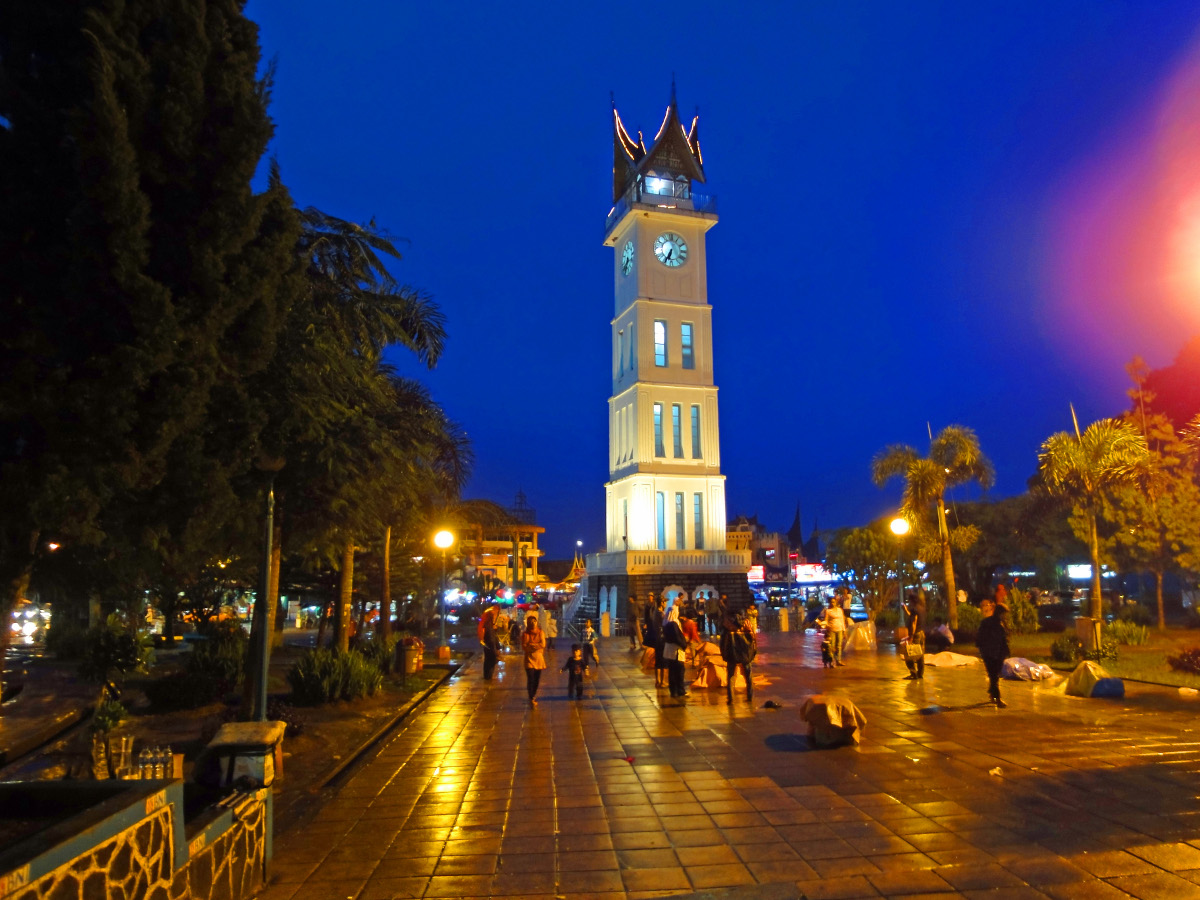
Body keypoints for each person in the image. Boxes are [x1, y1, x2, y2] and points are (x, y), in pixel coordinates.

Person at [977, 601, 1010, 707]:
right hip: (989, 653)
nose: (1005, 615)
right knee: (994, 676)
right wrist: (983, 650)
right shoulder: (987, 623)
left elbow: (1004, 639)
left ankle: (992, 693)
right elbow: (980, 638)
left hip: (999, 653)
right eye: (1004, 613)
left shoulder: (1002, 623)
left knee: (994, 676)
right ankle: (997, 699)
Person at [720, 611, 757, 703]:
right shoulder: (747, 623)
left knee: (731, 676)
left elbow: (723, 641)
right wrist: (753, 652)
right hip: (745, 653)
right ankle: (750, 696)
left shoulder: (727, 624)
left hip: (732, 653)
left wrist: (724, 654)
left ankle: (731, 698)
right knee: (748, 675)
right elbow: (752, 638)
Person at [661, 604, 688, 698]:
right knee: (679, 671)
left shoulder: (665, 623)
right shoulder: (673, 623)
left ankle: (673, 691)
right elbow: (677, 637)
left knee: (672, 671)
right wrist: (684, 644)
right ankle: (680, 690)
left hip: (668, 650)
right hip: (676, 650)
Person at [521, 614, 546, 705]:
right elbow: (524, 646)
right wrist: (534, 646)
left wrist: (532, 645)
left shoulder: (541, 632)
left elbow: (543, 644)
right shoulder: (525, 634)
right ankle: (531, 696)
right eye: (531, 622)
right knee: (530, 678)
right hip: (529, 659)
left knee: (536, 679)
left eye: (534, 621)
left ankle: (533, 694)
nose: (533, 623)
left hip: (539, 659)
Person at [901, 592, 926, 680]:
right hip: (922, 633)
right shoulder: (921, 608)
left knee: (910, 653)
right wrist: (905, 610)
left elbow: (914, 622)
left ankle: (913, 673)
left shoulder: (915, 609)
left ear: (912, 601)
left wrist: (911, 635)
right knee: (920, 654)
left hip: (916, 634)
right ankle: (920, 673)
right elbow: (912, 616)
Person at [817, 597, 846, 666]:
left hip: (839, 629)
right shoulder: (828, 611)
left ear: (836, 602)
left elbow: (842, 620)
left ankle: (838, 660)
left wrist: (844, 630)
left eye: (834, 602)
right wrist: (822, 624)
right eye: (831, 602)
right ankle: (832, 660)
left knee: (839, 645)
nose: (833, 603)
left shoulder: (840, 610)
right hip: (832, 629)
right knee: (832, 646)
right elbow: (826, 620)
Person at [479, 604, 501, 681]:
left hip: (488, 644)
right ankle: (488, 676)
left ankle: (487, 676)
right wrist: (495, 648)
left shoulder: (489, 626)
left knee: (488, 660)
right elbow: (492, 638)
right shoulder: (488, 627)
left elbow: (494, 637)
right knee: (491, 659)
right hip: (490, 645)